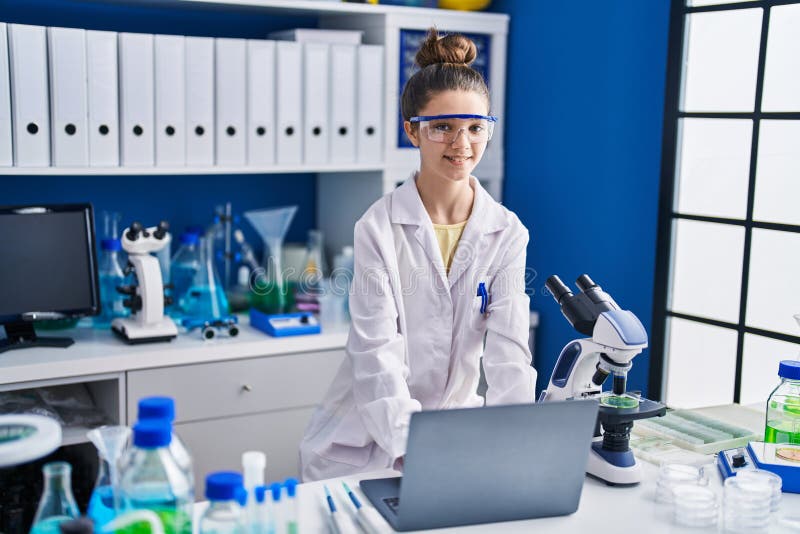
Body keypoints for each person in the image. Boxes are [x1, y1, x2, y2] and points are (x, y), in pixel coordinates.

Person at [299, 28, 536, 482]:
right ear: (412, 130)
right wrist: (418, 451)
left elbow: (509, 354)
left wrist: (516, 443)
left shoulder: (507, 232)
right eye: (442, 127)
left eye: (474, 127)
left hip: (455, 436)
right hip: (367, 443)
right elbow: (376, 356)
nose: (462, 144)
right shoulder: (378, 227)